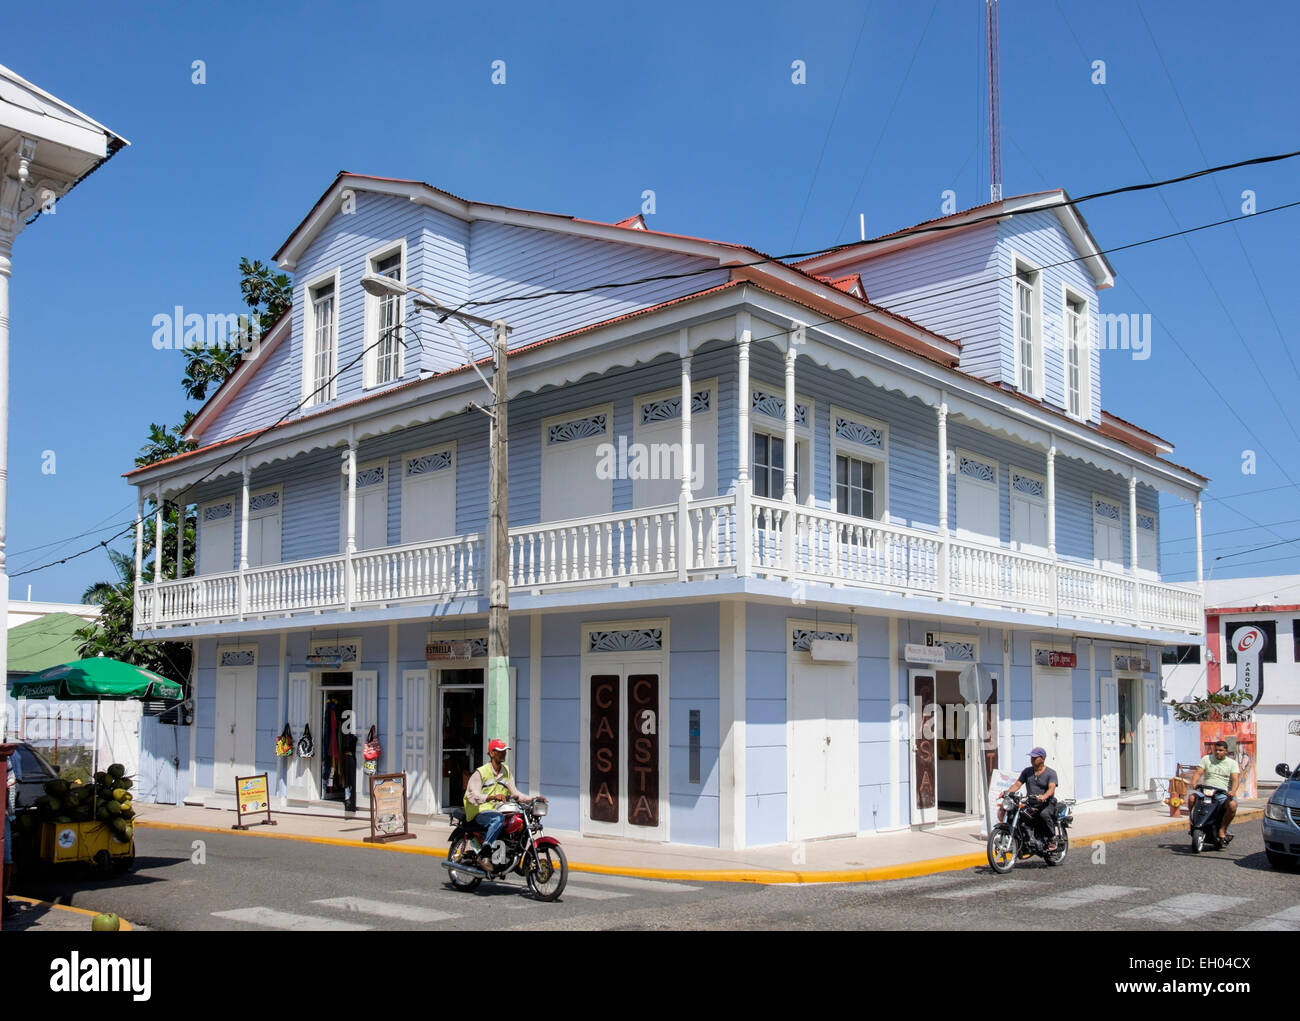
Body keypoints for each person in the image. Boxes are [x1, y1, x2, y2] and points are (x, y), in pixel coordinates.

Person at [463, 739, 534, 866]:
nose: (503, 754)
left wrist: (533, 799)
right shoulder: (481, 772)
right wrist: (492, 797)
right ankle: (485, 853)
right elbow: (474, 795)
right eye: (500, 751)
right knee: (498, 819)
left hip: (496, 809)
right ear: (491, 753)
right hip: (478, 811)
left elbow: (515, 793)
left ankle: (509, 855)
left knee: (518, 819)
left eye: (504, 751)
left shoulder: (506, 772)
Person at [1002, 748, 1059, 851]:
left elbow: (1051, 788)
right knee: (1016, 813)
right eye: (1031, 757)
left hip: (1047, 803)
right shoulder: (1027, 771)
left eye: (1035, 757)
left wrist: (1044, 796)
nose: (1032, 759)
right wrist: (1007, 792)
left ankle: (1052, 838)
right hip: (1031, 802)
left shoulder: (1051, 773)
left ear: (1042, 759)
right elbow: (1017, 784)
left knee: (1043, 814)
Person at [1188, 740, 1239, 843]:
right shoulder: (1206, 759)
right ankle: (1193, 824)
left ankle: (1222, 830)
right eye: (1216, 750)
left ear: (1226, 751)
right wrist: (1193, 782)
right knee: (1192, 798)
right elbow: (1198, 773)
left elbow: (1235, 780)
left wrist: (1232, 791)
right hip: (1206, 791)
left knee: (1232, 805)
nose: (1218, 752)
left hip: (1222, 794)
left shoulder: (1232, 763)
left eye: (1221, 750)